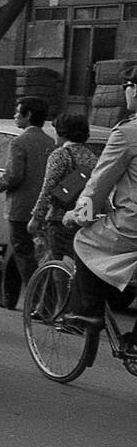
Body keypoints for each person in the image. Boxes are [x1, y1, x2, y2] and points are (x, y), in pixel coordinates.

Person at [64, 67, 137, 341]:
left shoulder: (128, 134)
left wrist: (79, 216)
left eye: (126, 86)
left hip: (131, 226)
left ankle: (88, 311)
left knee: (85, 241)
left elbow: (98, 185)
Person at [0, 96, 57, 311]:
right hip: (41, 207)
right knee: (16, 251)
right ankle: (6, 297)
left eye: (18, 112)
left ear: (27, 115)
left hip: (20, 207)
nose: (15, 115)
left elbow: (14, 175)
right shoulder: (50, 143)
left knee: (25, 255)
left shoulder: (19, 142)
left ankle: (40, 303)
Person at [30, 114, 98, 262]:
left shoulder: (60, 155)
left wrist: (36, 217)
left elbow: (48, 188)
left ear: (63, 132)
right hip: (83, 217)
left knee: (59, 263)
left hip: (60, 218)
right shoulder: (92, 157)